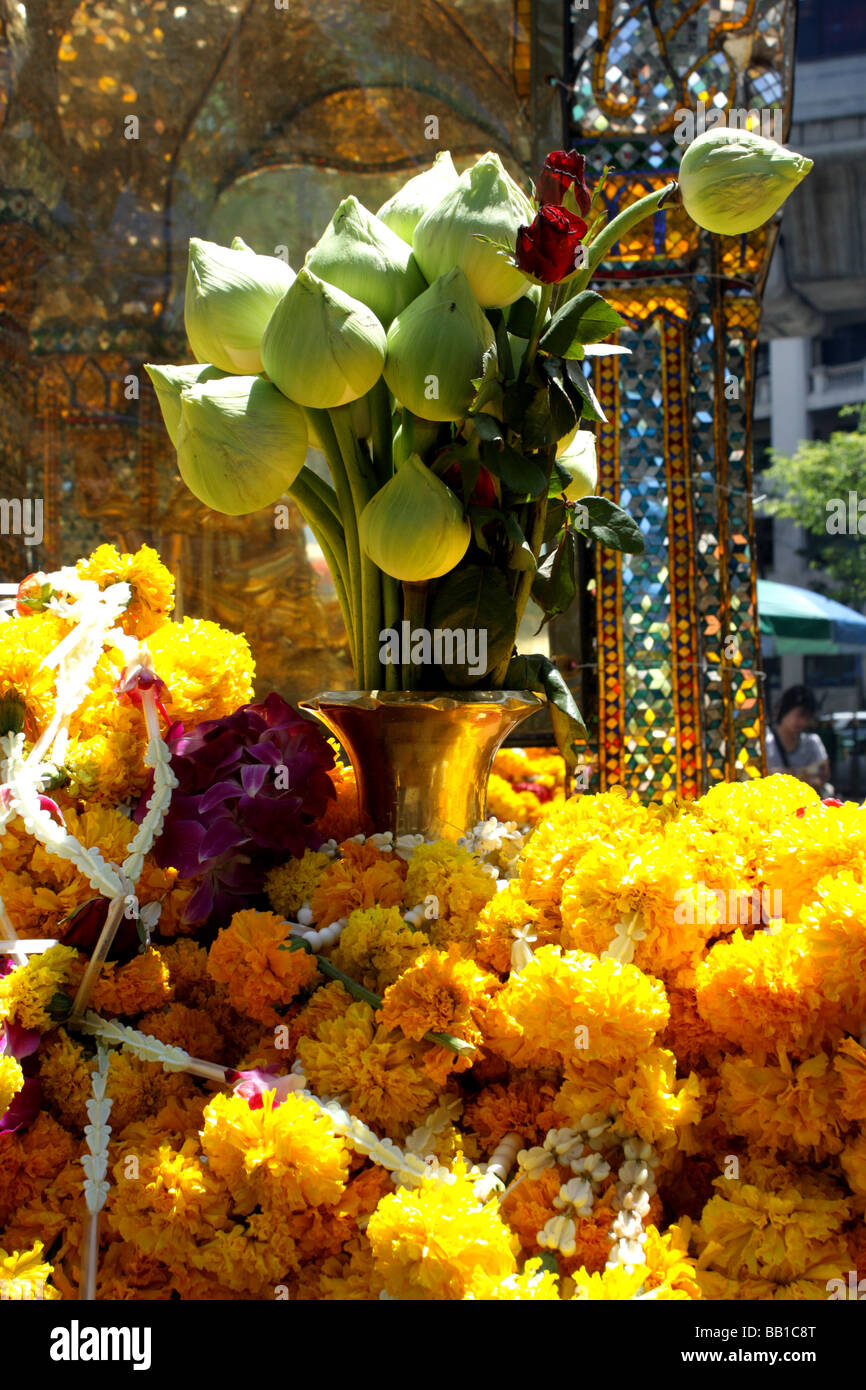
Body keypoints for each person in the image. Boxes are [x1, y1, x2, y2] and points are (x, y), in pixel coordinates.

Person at [765, 685, 832, 794]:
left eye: (807, 717)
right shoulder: (764, 741)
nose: (803, 722)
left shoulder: (812, 742)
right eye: (800, 715)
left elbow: (823, 776)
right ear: (784, 709)